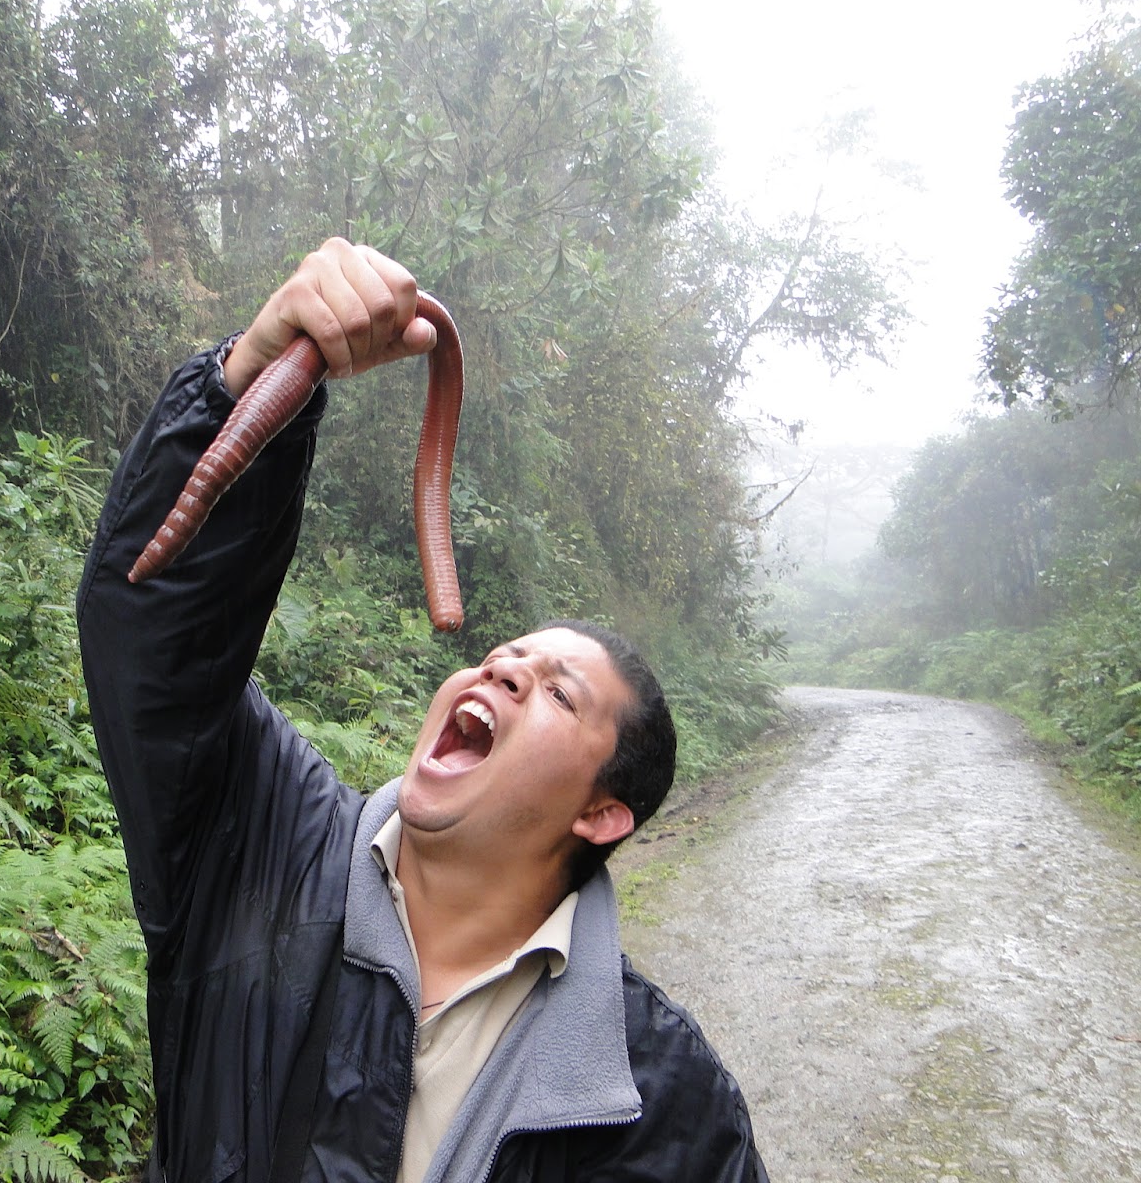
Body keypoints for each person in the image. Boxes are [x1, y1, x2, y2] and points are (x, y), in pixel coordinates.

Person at [76, 238, 770, 1182]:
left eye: (558, 692)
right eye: (501, 657)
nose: (507, 673)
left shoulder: (669, 1104)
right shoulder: (264, 847)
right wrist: (244, 378)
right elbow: (152, 632)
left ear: (603, 812)